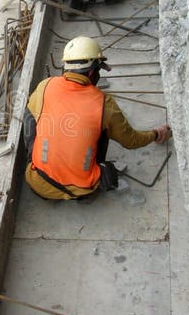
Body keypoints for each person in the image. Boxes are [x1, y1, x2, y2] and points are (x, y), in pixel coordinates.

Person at [24, 36, 171, 201]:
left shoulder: (46, 85)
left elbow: (31, 116)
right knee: (102, 131)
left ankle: (34, 159)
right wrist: (156, 134)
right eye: (99, 70)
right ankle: (81, 185)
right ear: (93, 72)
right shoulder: (104, 103)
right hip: (81, 189)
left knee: (33, 111)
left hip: (36, 181)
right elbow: (131, 141)